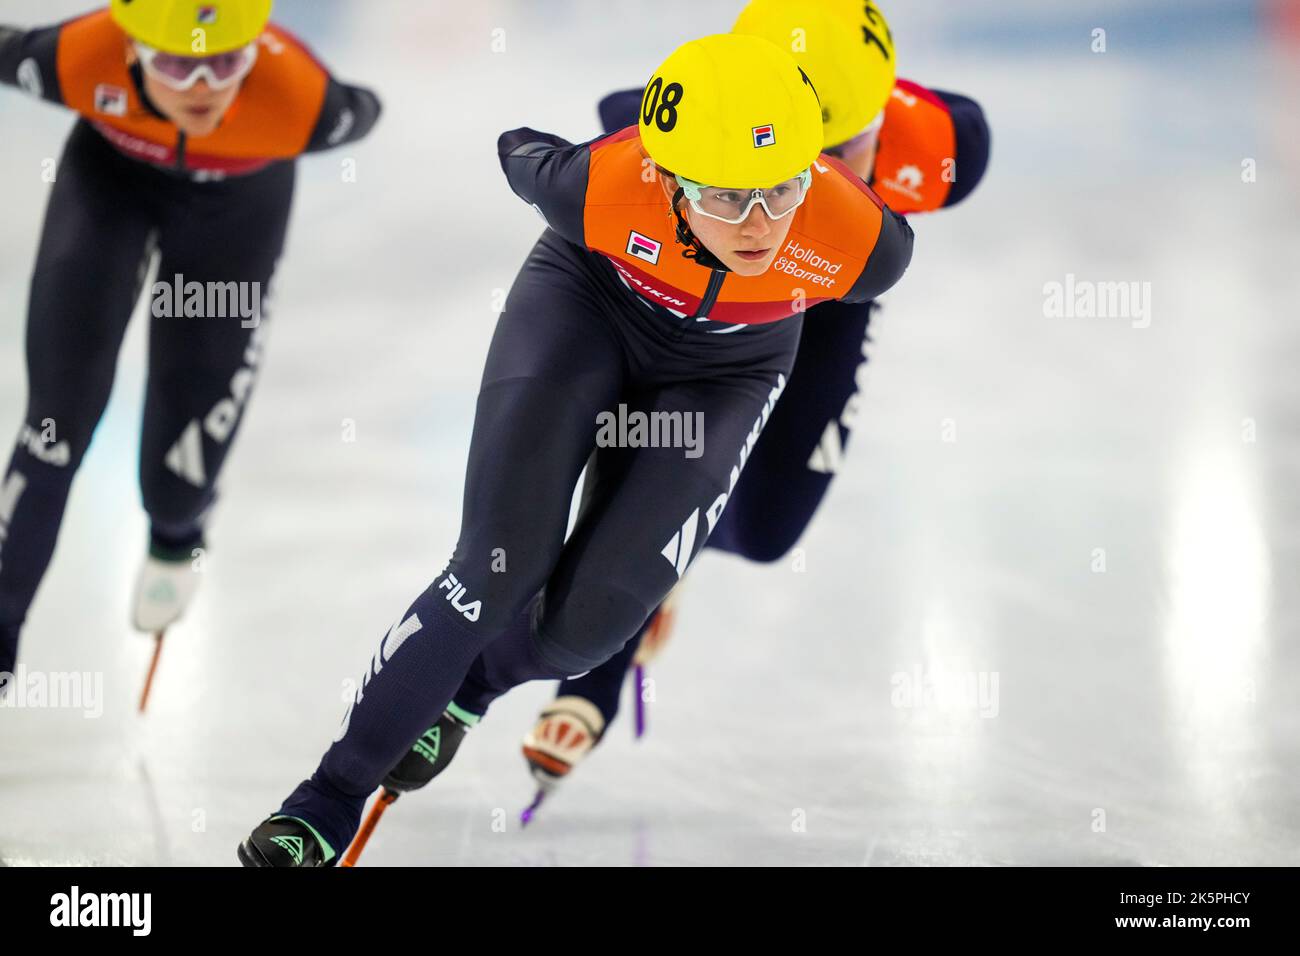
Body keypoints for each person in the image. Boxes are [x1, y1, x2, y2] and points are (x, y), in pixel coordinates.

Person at [239, 31, 913, 866]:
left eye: (780, 192)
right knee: (493, 568)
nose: (762, 225)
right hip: (586, 314)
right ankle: (327, 799)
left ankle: (471, 689)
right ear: (666, 181)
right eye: (728, 198)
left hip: (726, 372)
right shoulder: (594, 187)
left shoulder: (863, 243)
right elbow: (514, 146)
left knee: (586, 630)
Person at [381, 0, 991, 822]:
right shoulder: (686, 125)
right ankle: (607, 640)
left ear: (888, 114)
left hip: (823, 286)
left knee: (769, 530)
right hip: (700, 309)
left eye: (850, 148)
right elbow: (615, 151)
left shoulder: (936, 145)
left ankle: (663, 563)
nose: (837, 167)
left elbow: (964, 137)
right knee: (652, 445)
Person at [0, 0, 381, 682]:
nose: (201, 89)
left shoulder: (306, 103)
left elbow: (368, 108)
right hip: (108, 187)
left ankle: (177, 538)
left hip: (235, 215)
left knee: (178, 481)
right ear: (132, 49)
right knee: (53, 430)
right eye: (177, 64)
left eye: (225, 63)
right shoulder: (77, 56)